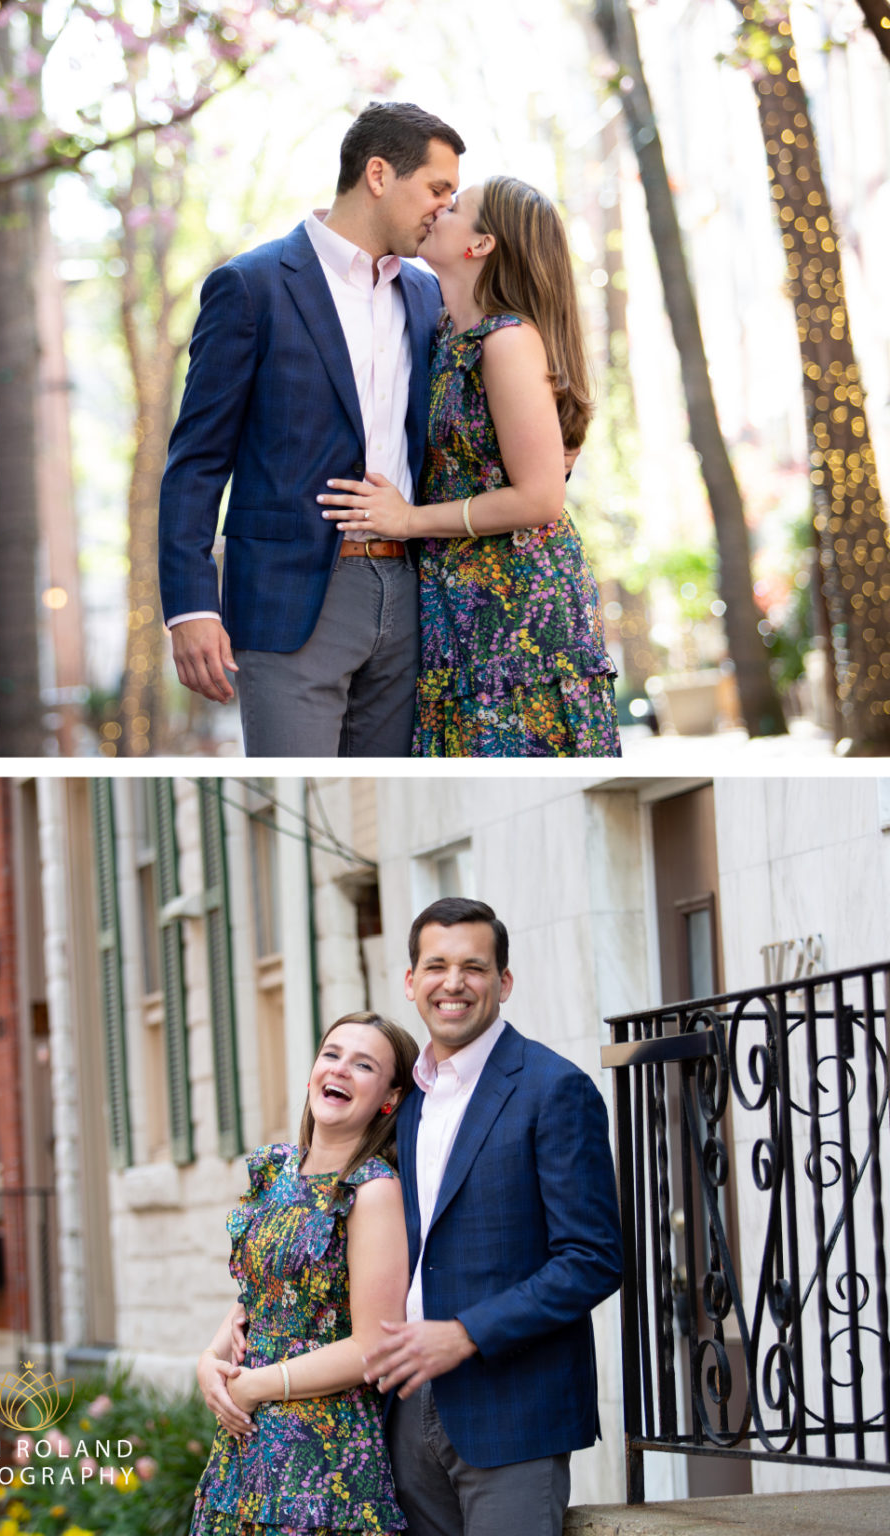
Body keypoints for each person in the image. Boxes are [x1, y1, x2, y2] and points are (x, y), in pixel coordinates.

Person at [159, 102, 465, 758]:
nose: (445, 209)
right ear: (378, 174)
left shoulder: (426, 295)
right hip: (289, 602)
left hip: (410, 597)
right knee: (295, 792)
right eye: (437, 189)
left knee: (383, 804)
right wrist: (191, 606)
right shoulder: (251, 286)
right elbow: (196, 461)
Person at [319, 177, 622, 757]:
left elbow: (541, 499)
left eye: (455, 206)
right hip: (453, 606)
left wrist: (407, 520)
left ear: (480, 244)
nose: (438, 210)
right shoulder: (439, 332)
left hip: (519, 612)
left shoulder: (507, 341)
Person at [360, 897, 624, 1536]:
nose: (453, 983)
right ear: (411, 981)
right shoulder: (409, 1101)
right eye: (436, 966)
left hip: (513, 1412)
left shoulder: (554, 1088)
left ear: (503, 982)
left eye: (473, 967)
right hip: (405, 1409)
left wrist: (466, 1333)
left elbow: (592, 1259)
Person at [189, 1011, 419, 1536]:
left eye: (364, 1065)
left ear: (389, 1098)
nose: (339, 1069)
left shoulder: (372, 1190)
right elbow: (258, 1297)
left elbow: (373, 1345)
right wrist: (210, 1360)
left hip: (321, 1460)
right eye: (331, 1055)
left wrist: (258, 1386)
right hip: (243, 1449)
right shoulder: (276, 1170)